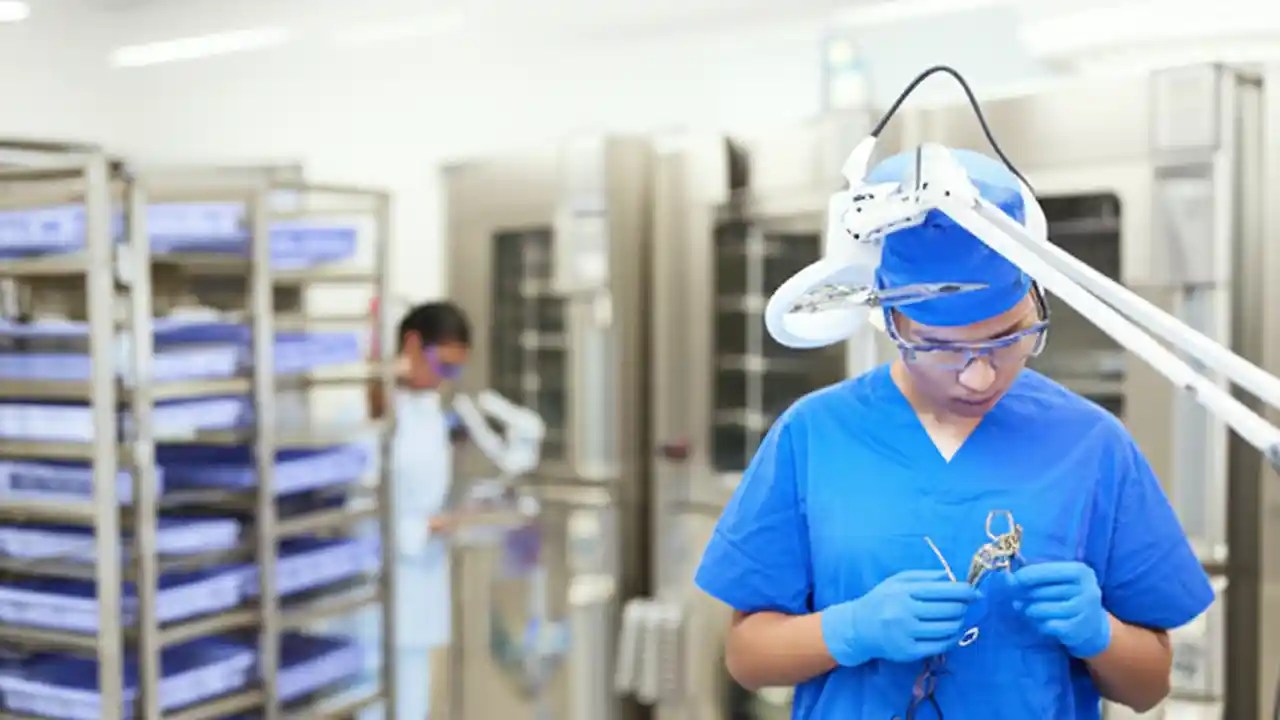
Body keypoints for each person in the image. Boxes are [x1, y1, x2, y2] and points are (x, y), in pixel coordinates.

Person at [693, 148, 1214, 719]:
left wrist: (1102, 635)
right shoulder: (813, 436)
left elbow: (1149, 686)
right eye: (940, 347)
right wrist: (850, 629)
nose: (979, 374)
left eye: (1007, 337)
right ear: (891, 321)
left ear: (1036, 298)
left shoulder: (1092, 445)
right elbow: (747, 657)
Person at [368, 300, 471, 720]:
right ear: (411, 345)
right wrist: (415, 529)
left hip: (419, 585)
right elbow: (359, 507)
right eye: (442, 365)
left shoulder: (431, 412)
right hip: (379, 589)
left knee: (412, 703)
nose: (445, 379)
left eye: (455, 370)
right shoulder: (377, 410)